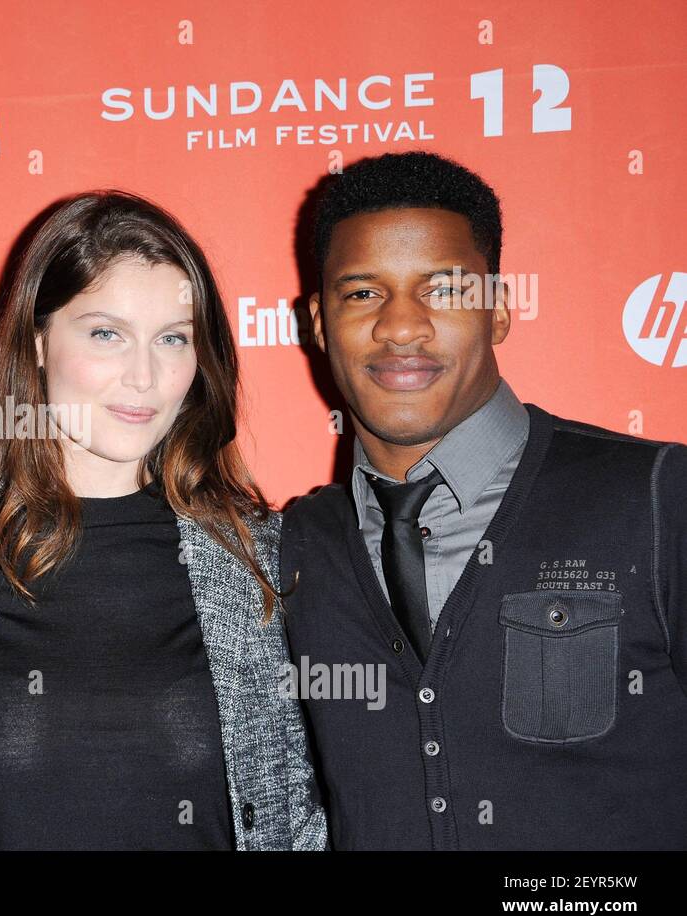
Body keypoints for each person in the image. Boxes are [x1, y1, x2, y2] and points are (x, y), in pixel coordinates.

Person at [0, 191, 327, 850]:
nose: (144, 376)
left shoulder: (256, 553)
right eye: (106, 334)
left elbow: (298, 816)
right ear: (36, 341)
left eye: (172, 339)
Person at [283, 150, 687, 849]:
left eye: (443, 290)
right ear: (318, 323)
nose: (401, 326)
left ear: (498, 309)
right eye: (362, 293)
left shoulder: (656, 498)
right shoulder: (291, 546)